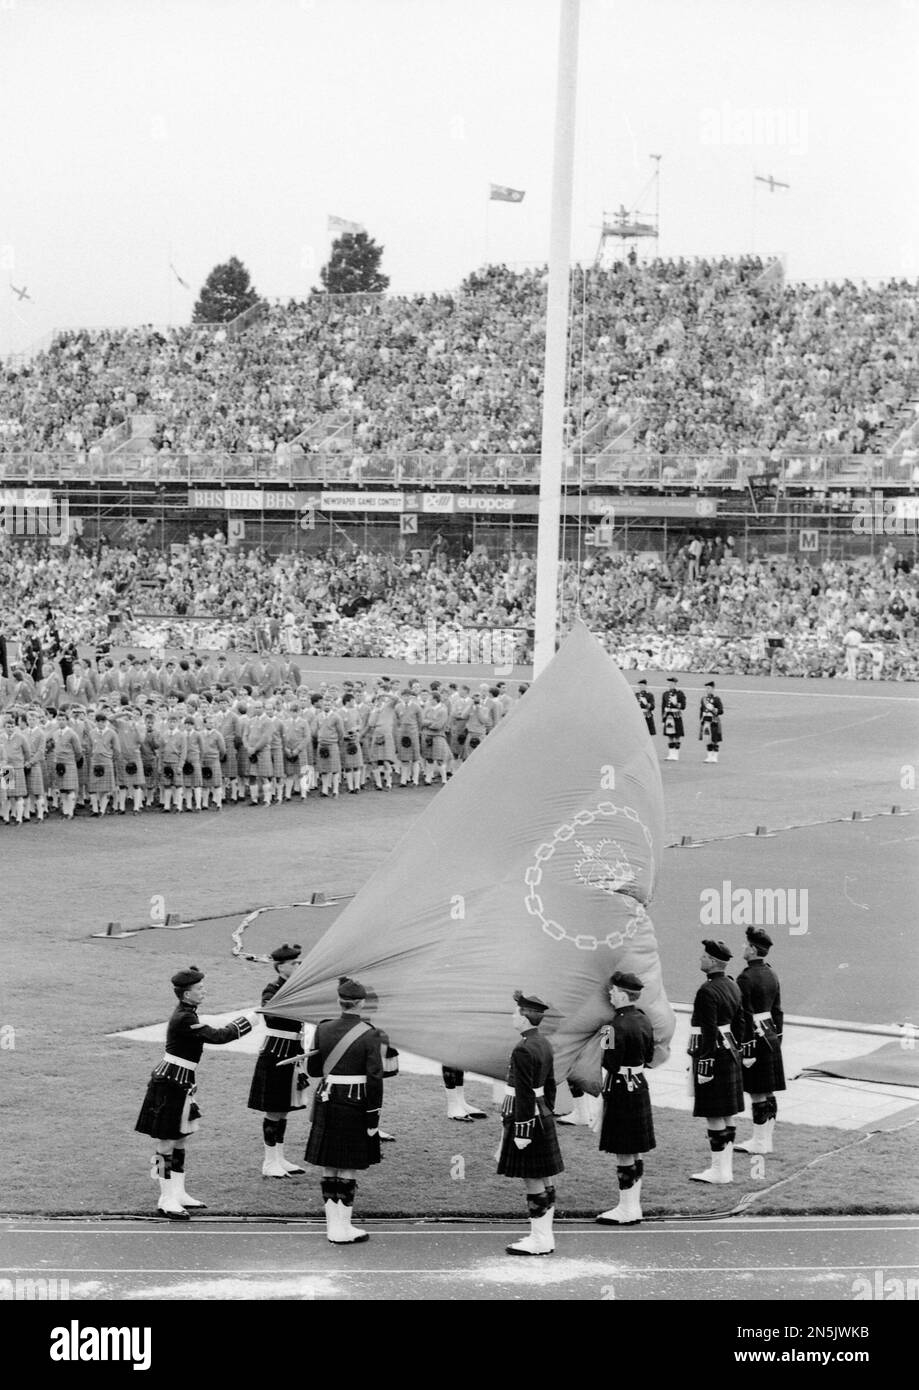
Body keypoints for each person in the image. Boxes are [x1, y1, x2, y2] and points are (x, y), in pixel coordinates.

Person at [135, 966, 253, 1219]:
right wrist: (250, 1019)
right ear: (187, 994)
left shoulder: (188, 1013)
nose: (204, 991)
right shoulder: (185, 1019)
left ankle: (178, 1192)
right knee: (165, 1142)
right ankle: (165, 1198)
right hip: (169, 1085)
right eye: (199, 989)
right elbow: (220, 1036)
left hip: (180, 1082)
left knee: (180, 1138)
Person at [304, 976, 385, 1244]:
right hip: (355, 1101)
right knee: (348, 1164)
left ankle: (333, 1227)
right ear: (360, 1003)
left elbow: (314, 1069)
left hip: (328, 1099)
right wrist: (374, 1114)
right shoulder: (370, 1033)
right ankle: (343, 1227)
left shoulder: (323, 1028)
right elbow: (374, 1077)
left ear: (340, 1001)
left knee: (330, 1164)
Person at [497, 990, 563, 1256]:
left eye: (516, 1012)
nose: (513, 1016)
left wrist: (522, 1129)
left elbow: (524, 1092)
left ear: (524, 1017)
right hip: (542, 1111)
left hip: (527, 1117)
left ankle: (539, 1239)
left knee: (532, 1178)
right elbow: (549, 1083)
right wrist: (547, 1109)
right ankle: (544, 1236)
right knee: (543, 1176)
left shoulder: (523, 1048)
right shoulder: (543, 1043)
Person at [592, 971, 656, 1226]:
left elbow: (608, 1060)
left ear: (622, 994)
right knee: (635, 1150)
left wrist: (602, 1038)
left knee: (624, 1151)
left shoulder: (612, 1026)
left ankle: (627, 1209)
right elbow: (649, 1055)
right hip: (639, 1084)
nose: (610, 994)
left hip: (620, 1087)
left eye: (613, 991)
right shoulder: (644, 1019)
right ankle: (632, 1206)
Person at [248, 944, 309, 1178]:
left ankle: (279, 1158)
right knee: (274, 1110)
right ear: (281, 966)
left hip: (292, 1050)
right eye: (293, 963)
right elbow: (271, 1013)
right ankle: (269, 1161)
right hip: (276, 1053)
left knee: (284, 1109)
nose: (297, 966)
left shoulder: (293, 987)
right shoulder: (272, 989)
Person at [689, 940, 744, 1184]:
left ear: (712, 962)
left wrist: (705, 1064)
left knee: (714, 1113)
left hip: (714, 1055)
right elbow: (741, 1023)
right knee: (727, 1114)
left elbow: (708, 1030)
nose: (701, 959)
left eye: (704, 956)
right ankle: (725, 1169)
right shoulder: (732, 985)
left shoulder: (707, 990)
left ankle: (718, 1170)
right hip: (730, 1051)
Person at [734, 927, 785, 1155]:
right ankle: (766, 1140)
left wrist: (747, 1049)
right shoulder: (771, 973)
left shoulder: (745, 977)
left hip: (754, 1038)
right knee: (768, 1091)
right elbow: (778, 1011)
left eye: (746, 945)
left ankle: (760, 1142)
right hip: (771, 1036)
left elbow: (744, 1015)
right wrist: (777, 1039)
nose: (743, 948)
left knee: (757, 1092)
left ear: (753, 949)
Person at [661, 676, 686, 761]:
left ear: (675, 684)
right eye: (669, 683)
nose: (670, 685)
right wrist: (663, 719)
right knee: (670, 736)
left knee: (677, 735)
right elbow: (663, 707)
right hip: (668, 716)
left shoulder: (680, 693)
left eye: (671, 683)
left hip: (676, 716)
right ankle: (671, 755)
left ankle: (676, 755)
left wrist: (676, 704)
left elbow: (683, 706)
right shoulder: (665, 694)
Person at [699, 680, 724, 763]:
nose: (707, 690)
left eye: (709, 688)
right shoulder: (703, 699)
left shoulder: (716, 699)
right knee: (708, 739)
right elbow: (701, 710)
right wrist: (701, 720)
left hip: (713, 721)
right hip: (706, 721)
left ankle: (714, 757)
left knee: (714, 739)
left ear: (713, 689)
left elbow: (721, 711)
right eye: (706, 688)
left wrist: (713, 709)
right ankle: (709, 756)